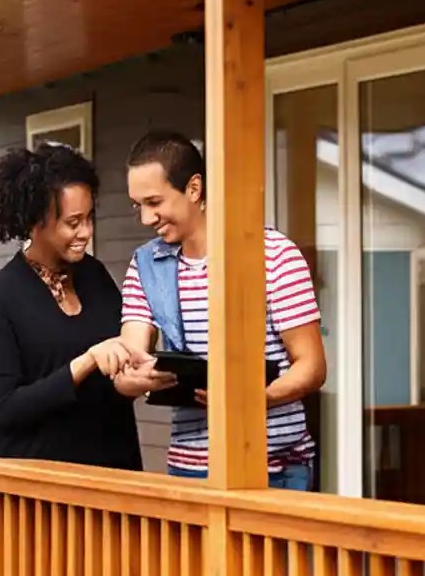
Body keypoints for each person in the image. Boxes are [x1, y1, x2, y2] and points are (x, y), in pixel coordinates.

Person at [117, 130, 327, 490]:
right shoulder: (146, 265)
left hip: (272, 467)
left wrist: (250, 398)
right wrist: (133, 378)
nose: (146, 218)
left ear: (194, 189)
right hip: (189, 470)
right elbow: (128, 362)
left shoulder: (274, 255)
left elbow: (312, 366)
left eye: (155, 202)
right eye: (139, 206)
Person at [0, 143, 175, 470]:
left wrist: (136, 378)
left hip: (112, 475)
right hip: (39, 493)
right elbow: (6, 411)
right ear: (34, 221)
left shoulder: (95, 276)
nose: (86, 232)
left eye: (90, 217)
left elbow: (114, 373)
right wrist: (84, 363)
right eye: (73, 222)